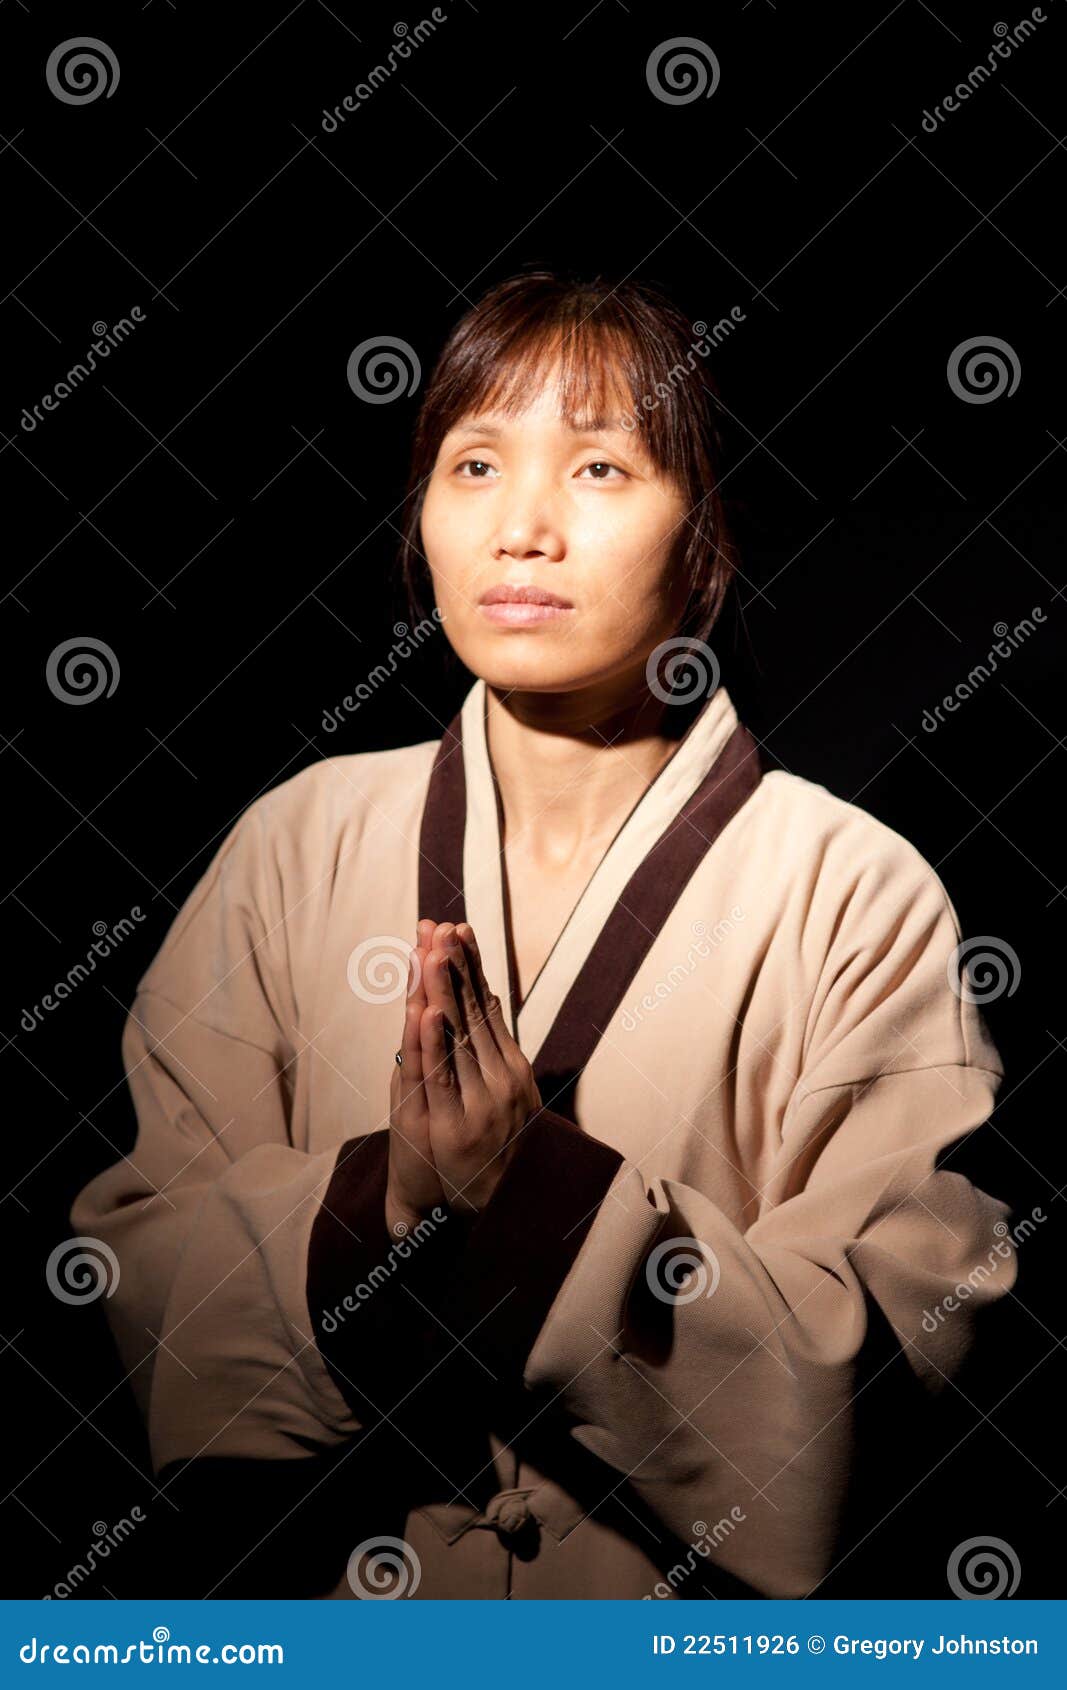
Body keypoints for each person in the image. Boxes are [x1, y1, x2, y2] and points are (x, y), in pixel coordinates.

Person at [71, 270, 1017, 1601]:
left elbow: (902, 1377)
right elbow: (131, 1286)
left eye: (600, 469)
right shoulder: (295, 847)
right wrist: (385, 1204)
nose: (522, 527)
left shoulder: (853, 890)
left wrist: (537, 1195)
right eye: (473, 464)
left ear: (705, 534)